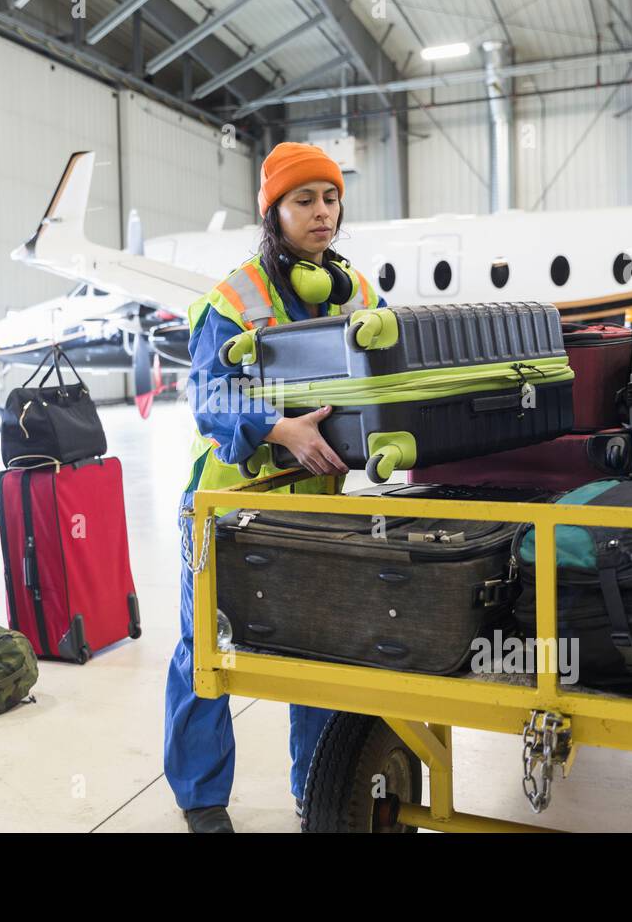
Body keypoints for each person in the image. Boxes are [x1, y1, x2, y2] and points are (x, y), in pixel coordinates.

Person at [164, 142, 386, 833]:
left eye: (329, 198)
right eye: (303, 201)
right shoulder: (234, 299)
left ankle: (313, 788)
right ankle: (202, 799)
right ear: (274, 212)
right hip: (230, 507)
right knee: (207, 649)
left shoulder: (359, 293)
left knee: (317, 650)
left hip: (319, 507)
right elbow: (208, 400)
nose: (322, 213)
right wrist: (278, 429)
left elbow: (388, 380)